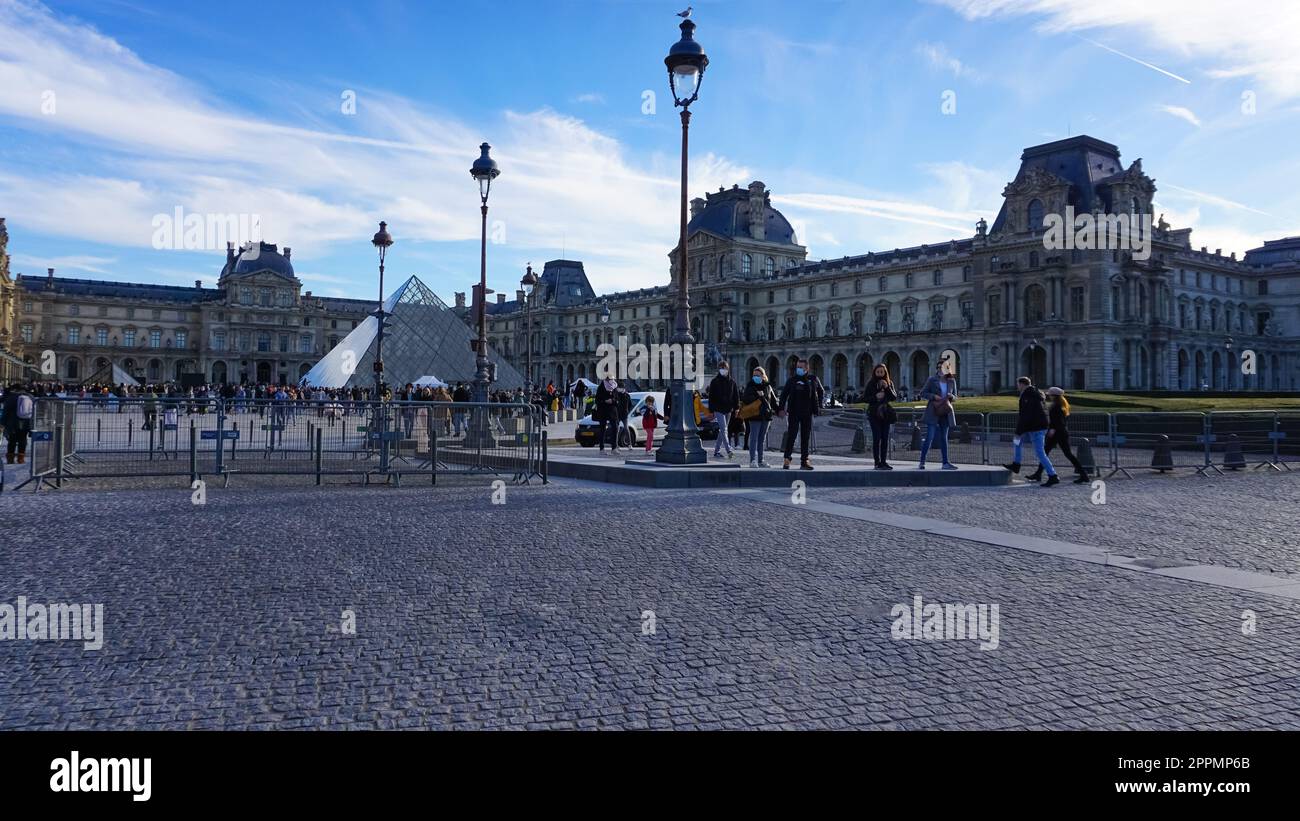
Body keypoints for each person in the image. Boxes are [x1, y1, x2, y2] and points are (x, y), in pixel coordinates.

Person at [1027, 387, 1089, 484]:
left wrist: (1053, 429)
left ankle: (1083, 475)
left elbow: (1058, 421)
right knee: (1051, 453)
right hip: (1061, 432)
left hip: (1057, 433)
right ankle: (1038, 473)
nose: (1049, 396)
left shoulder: (1056, 406)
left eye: (1050, 394)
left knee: (1050, 453)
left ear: (1053, 396)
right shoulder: (1062, 405)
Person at [1004, 376, 1058, 486]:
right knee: (1017, 442)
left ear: (1022, 384)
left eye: (1018, 384)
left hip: (1035, 427)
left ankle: (1053, 475)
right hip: (1037, 426)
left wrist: (1019, 430)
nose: (1017, 386)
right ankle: (1016, 464)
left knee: (1040, 453)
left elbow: (1025, 415)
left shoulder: (1027, 395)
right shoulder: (1036, 393)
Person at [777, 358, 823, 470]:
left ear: (807, 368)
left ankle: (804, 461)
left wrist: (819, 406)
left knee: (805, 437)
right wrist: (781, 408)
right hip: (794, 412)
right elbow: (783, 395)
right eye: (797, 367)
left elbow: (821, 391)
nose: (798, 369)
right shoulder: (792, 380)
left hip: (807, 413)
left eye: (800, 367)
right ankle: (787, 459)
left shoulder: (813, 379)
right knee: (791, 436)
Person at [918, 366, 959, 470]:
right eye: (939, 368)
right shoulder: (932, 380)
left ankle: (945, 462)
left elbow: (955, 397)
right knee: (929, 437)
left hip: (945, 411)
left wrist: (951, 396)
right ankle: (922, 461)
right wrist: (934, 396)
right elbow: (923, 393)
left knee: (944, 438)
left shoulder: (952, 381)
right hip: (933, 411)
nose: (941, 370)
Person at [740, 366, 777, 468]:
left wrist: (779, 410)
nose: (755, 377)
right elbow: (746, 399)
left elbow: (773, 400)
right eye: (754, 375)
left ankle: (761, 460)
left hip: (766, 415)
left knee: (762, 439)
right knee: (754, 438)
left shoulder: (768, 387)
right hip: (754, 415)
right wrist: (758, 396)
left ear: (763, 376)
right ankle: (752, 460)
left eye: (758, 375)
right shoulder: (750, 386)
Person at [864, 363, 898, 470]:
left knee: (884, 438)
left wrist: (887, 387)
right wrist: (875, 397)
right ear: (875, 372)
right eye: (878, 372)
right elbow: (865, 398)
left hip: (885, 414)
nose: (879, 374)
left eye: (881, 372)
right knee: (877, 438)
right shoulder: (871, 384)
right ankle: (877, 462)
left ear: (885, 372)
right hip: (874, 414)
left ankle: (883, 461)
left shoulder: (889, 383)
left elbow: (893, 397)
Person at [706, 361, 740, 459]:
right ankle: (729, 449)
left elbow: (736, 396)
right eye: (721, 367)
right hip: (718, 409)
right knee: (724, 429)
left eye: (724, 367)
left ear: (728, 369)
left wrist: (737, 408)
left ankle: (716, 451)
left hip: (728, 409)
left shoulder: (732, 382)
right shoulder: (714, 381)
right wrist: (711, 411)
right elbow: (711, 397)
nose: (722, 369)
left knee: (722, 430)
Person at [1, 383, 35, 465]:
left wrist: (2, 423)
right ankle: (21, 459)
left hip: (12, 422)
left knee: (12, 440)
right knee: (23, 439)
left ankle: (10, 459)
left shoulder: (11, 397)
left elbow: (6, 411)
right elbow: (33, 411)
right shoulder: (31, 397)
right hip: (26, 422)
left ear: (15, 389)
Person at [594, 376, 621, 454]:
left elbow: (618, 399)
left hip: (613, 410)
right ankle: (601, 449)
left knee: (615, 428)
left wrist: (612, 400)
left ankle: (614, 448)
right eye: (610, 379)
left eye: (612, 379)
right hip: (603, 410)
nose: (611, 380)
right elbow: (597, 400)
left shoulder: (614, 386)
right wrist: (605, 401)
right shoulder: (601, 387)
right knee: (602, 429)